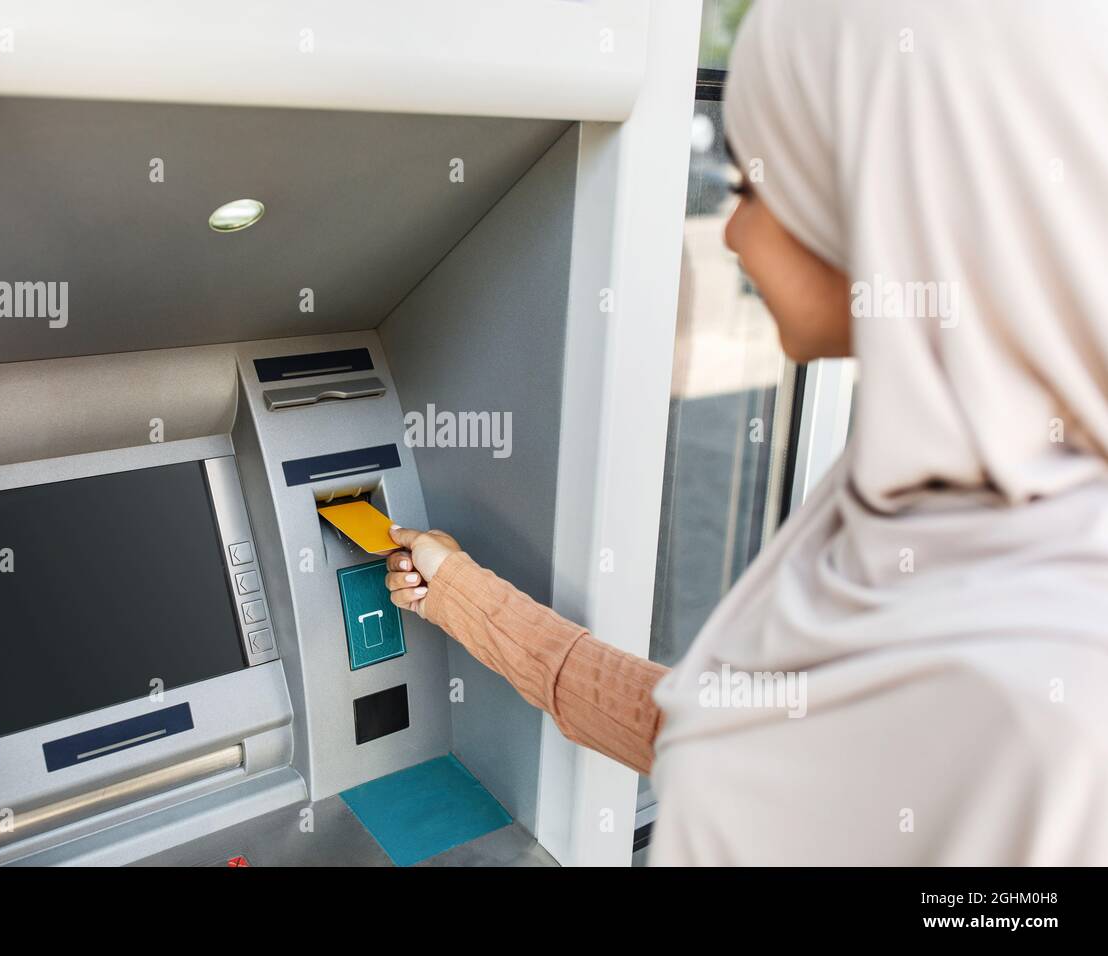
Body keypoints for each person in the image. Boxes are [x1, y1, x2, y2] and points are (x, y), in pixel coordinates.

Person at [384, 0, 1108, 865]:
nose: (731, 235)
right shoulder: (914, 505)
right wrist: (463, 593)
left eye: (753, 191)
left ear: (886, 210)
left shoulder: (1044, 680)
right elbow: (706, 735)